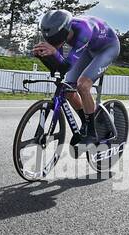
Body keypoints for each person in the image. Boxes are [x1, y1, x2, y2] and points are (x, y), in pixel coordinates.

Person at [30, 9, 120, 146]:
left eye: (57, 41)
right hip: (88, 49)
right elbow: (60, 68)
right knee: (67, 90)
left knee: (83, 85)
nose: (55, 44)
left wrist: (54, 53)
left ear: (65, 32)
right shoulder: (59, 31)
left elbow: (66, 65)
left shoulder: (83, 30)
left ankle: (92, 133)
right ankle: (86, 123)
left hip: (107, 48)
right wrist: (45, 57)